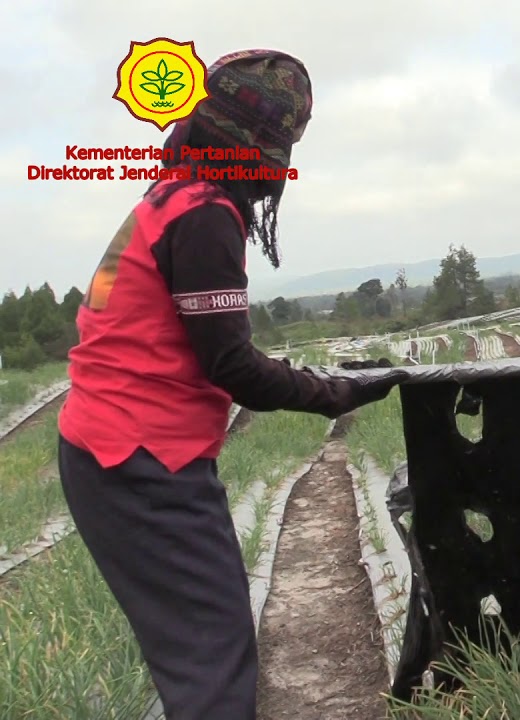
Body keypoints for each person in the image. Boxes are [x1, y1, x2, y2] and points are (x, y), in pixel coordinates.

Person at [57, 49, 407, 719]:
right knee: (213, 662)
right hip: (139, 463)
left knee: (197, 653)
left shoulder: (165, 199)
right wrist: (338, 391)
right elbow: (232, 366)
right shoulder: (204, 216)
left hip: (117, 451)